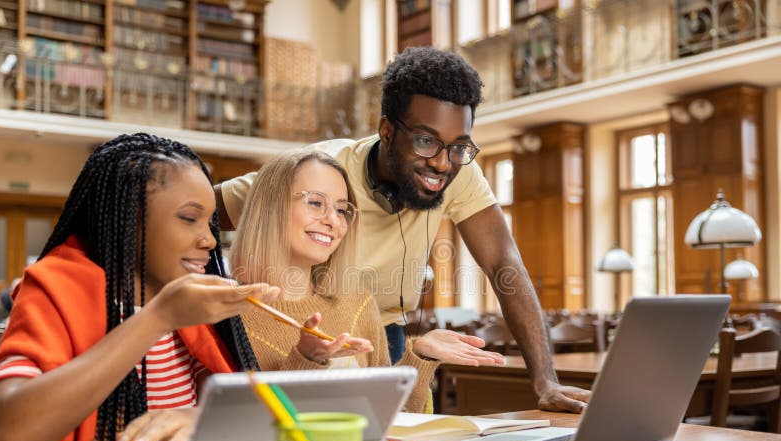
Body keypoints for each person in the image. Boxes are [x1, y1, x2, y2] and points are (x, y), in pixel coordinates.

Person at [216, 47, 590, 413]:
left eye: (458, 147)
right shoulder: (321, 171)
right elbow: (198, 211)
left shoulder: (457, 170)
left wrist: (546, 381)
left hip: (383, 333)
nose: (443, 163)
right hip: (299, 329)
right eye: (426, 142)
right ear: (387, 131)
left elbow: (503, 263)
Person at [0, 133, 279, 441]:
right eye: (188, 218)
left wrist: (199, 418)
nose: (210, 240)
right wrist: (157, 318)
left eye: (210, 223)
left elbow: (244, 411)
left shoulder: (197, 307)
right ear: (128, 219)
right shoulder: (55, 287)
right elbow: (8, 438)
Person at [230, 149, 503, 413]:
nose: (332, 221)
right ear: (269, 207)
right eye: (315, 202)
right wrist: (307, 360)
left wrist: (419, 357)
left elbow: (392, 418)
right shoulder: (226, 316)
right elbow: (242, 431)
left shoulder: (357, 302)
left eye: (341, 210)